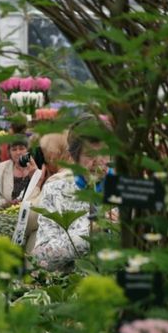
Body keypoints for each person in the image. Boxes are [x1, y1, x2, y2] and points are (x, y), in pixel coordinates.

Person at [31, 116, 110, 271]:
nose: (98, 161)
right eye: (89, 154)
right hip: (72, 288)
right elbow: (40, 258)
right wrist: (88, 233)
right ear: (75, 157)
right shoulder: (56, 190)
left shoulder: (126, 189)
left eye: (104, 153)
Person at [0, 136, 35, 209]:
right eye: (14, 149)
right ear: (9, 152)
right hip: (5, 213)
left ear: (28, 150)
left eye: (21, 148)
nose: (18, 152)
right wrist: (6, 203)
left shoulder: (36, 168)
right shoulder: (1, 168)